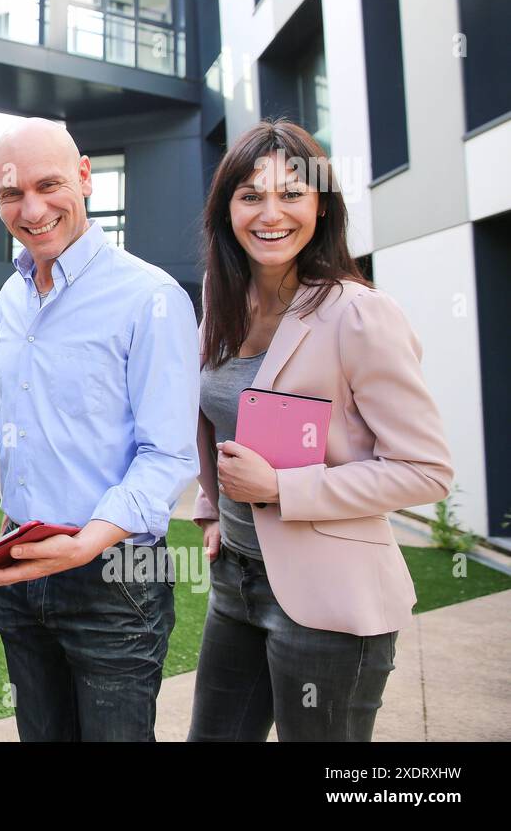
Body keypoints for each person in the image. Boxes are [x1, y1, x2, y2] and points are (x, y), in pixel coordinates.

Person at [187, 119, 453, 742]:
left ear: (322, 205)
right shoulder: (221, 294)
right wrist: (210, 506)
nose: (269, 213)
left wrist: (283, 486)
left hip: (330, 597)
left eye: (292, 193)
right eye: (250, 195)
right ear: (226, 209)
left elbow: (426, 470)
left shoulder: (360, 313)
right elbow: (218, 413)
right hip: (237, 579)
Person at [0, 118, 199, 742]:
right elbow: (26, 434)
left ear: (86, 177)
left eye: (49, 185)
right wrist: (10, 535)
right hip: (22, 569)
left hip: (115, 578)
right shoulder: (11, 298)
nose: (32, 209)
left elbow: (168, 454)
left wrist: (84, 544)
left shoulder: (151, 296)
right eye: (11, 193)